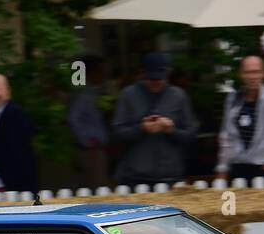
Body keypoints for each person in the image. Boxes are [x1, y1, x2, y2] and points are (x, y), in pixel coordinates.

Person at [110, 52, 199, 187]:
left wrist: (172, 130)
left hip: (170, 175)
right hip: (135, 177)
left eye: (160, 78)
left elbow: (191, 135)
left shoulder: (179, 96)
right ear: (143, 73)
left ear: (168, 73)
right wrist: (141, 128)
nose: (156, 82)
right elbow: (117, 134)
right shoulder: (128, 95)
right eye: (151, 78)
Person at [0, 72, 38, 195]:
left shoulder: (14, 114)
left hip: (12, 192)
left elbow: (21, 156)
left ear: (7, 90)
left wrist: (21, 192)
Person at [67, 55, 109, 190]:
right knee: (94, 190)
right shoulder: (84, 94)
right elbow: (73, 118)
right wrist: (88, 140)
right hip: (91, 151)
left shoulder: (94, 93)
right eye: (101, 71)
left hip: (94, 149)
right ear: (93, 73)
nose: (104, 74)